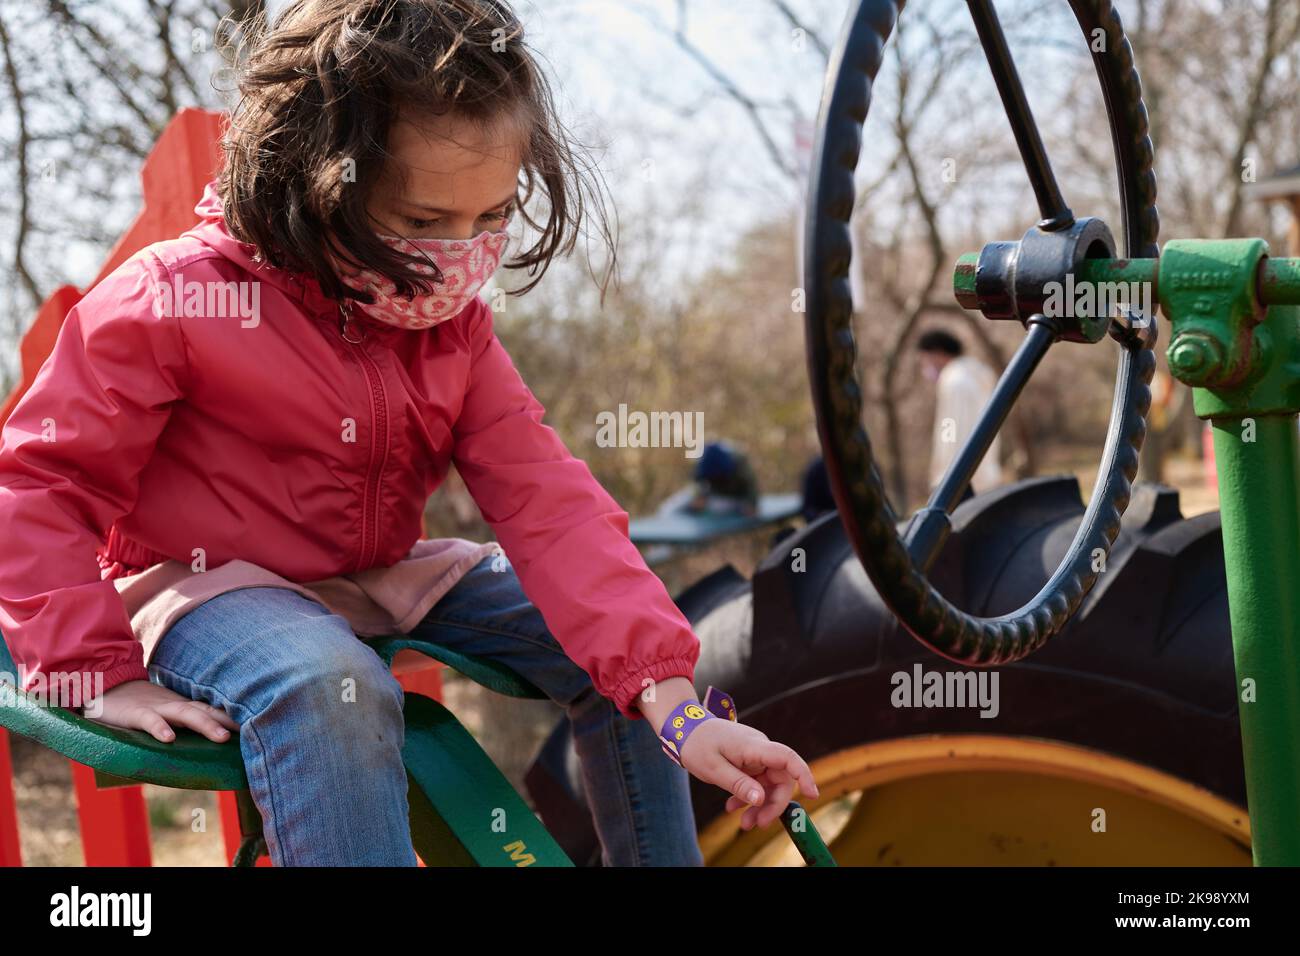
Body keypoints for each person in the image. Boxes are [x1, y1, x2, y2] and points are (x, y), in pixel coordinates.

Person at [0, 0, 816, 866]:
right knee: (332, 684)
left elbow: (548, 501)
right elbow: (41, 484)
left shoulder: (446, 324)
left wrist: (675, 703)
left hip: (374, 574)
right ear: (312, 180)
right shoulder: (173, 298)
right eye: (422, 223)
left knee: (609, 646)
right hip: (206, 590)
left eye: (489, 216)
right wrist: (99, 670)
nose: (457, 255)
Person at [916, 329, 1004, 496]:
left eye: (924, 360)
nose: (924, 367)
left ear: (938, 354)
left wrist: (943, 476)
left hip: (963, 482)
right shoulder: (977, 376)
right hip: (986, 474)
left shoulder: (954, 382)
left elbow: (950, 431)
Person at [685, 441, 759, 517]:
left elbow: (751, 487)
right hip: (714, 496)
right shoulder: (701, 463)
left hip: (735, 495)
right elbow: (697, 482)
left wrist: (752, 504)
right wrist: (699, 497)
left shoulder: (739, 464)